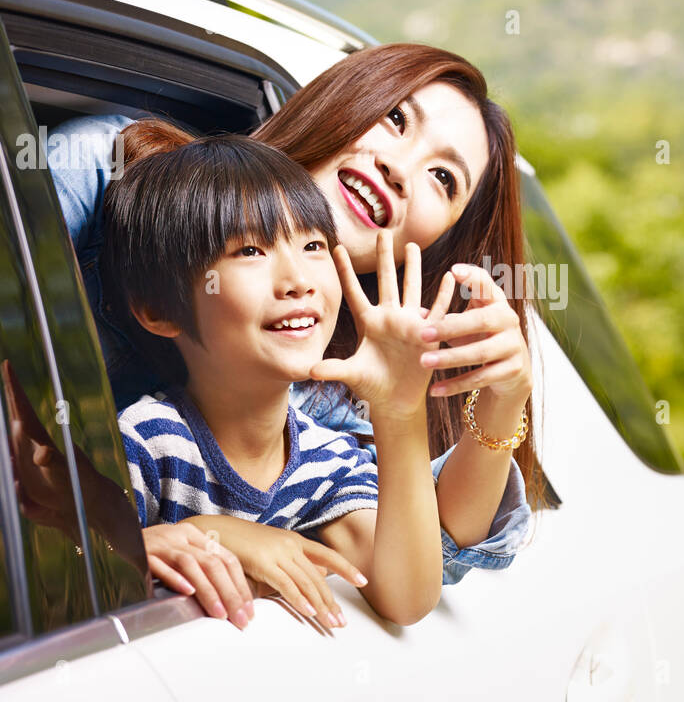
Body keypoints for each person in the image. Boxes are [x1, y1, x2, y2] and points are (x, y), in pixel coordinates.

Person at [0, 45, 541, 627]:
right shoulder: (106, 170)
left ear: (437, 243)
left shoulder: (342, 401)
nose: (400, 169)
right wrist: (189, 537)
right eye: (396, 118)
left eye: (443, 177)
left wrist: (483, 398)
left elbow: (416, 565)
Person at [106, 132, 453, 626]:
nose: (298, 280)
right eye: (249, 251)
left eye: (313, 245)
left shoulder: (324, 459)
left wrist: (400, 412)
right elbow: (77, 581)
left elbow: (408, 597)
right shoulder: (146, 443)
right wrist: (213, 533)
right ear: (159, 309)